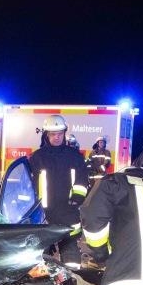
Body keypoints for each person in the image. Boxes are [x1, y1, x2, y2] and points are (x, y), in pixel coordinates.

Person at [28, 115, 89, 271]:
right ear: (46, 135)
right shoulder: (37, 157)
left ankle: (73, 279)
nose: (57, 137)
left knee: (70, 254)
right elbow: (29, 184)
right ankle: (44, 283)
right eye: (53, 134)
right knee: (41, 258)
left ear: (64, 133)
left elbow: (82, 180)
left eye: (60, 134)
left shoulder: (75, 156)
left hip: (68, 213)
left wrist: (76, 199)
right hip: (43, 214)